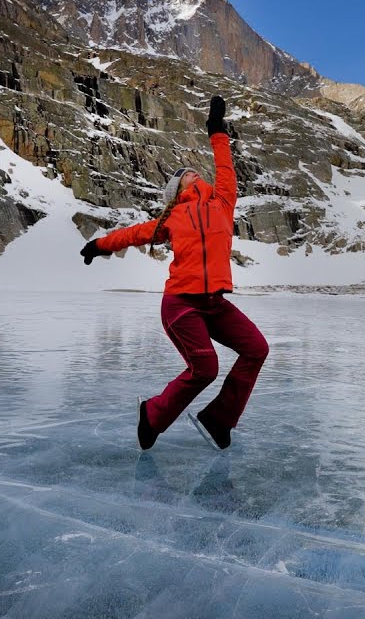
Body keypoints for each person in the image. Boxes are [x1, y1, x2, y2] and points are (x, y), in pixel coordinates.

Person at [80, 96, 268, 451]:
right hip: (180, 304)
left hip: (214, 303)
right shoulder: (172, 218)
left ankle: (218, 418)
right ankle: (153, 414)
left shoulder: (222, 202)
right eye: (182, 176)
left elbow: (225, 168)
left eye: (191, 172)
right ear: (177, 191)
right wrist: (99, 245)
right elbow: (133, 233)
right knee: (205, 368)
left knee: (256, 348)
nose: (190, 173)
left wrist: (217, 130)